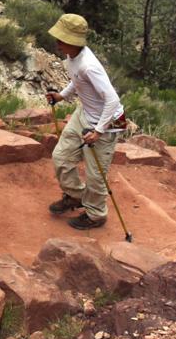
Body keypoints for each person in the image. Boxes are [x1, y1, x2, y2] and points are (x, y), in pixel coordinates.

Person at [44, 14, 128, 230]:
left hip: (105, 123)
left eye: (61, 39)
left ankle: (96, 215)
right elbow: (77, 82)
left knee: (96, 176)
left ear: (72, 41)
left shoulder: (89, 65)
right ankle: (75, 196)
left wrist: (99, 131)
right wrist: (61, 96)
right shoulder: (73, 57)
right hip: (85, 114)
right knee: (60, 157)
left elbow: (112, 100)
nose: (57, 43)